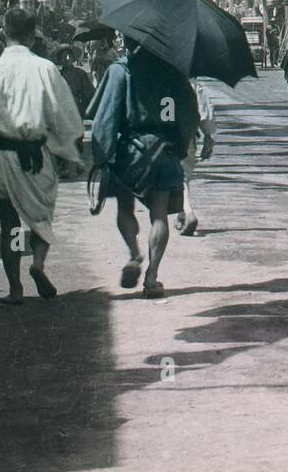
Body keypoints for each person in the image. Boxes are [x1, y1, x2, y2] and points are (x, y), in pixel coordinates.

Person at [0, 6, 84, 305]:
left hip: (2, 157)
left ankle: (15, 289)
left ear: (4, 33)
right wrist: (69, 153)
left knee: (9, 225)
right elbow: (64, 114)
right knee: (40, 217)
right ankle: (38, 264)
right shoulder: (45, 69)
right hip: (35, 156)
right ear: (33, 35)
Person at [88, 38, 200, 298]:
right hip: (166, 150)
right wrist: (180, 146)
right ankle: (152, 278)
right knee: (159, 215)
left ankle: (135, 255)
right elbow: (189, 114)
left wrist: (102, 155)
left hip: (131, 152)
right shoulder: (173, 72)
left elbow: (106, 117)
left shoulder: (120, 70)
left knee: (125, 207)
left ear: (127, 41)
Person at [176, 80, 216, 236]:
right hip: (186, 135)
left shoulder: (158, 77)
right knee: (183, 176)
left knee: (176, 177)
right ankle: (183, 212)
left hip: (162, 137)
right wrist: (208, 136)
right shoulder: (192, 83)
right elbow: (204, 112)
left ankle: (186, 211)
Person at [57, 44, 95, 119]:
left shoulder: (80, 73)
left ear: (72, 57)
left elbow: (90, 93)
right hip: (63, 111)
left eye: (68, 56)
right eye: (63, 57)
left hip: (79, 110)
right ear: (60, 59)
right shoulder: (57, 75)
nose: (66, 59)